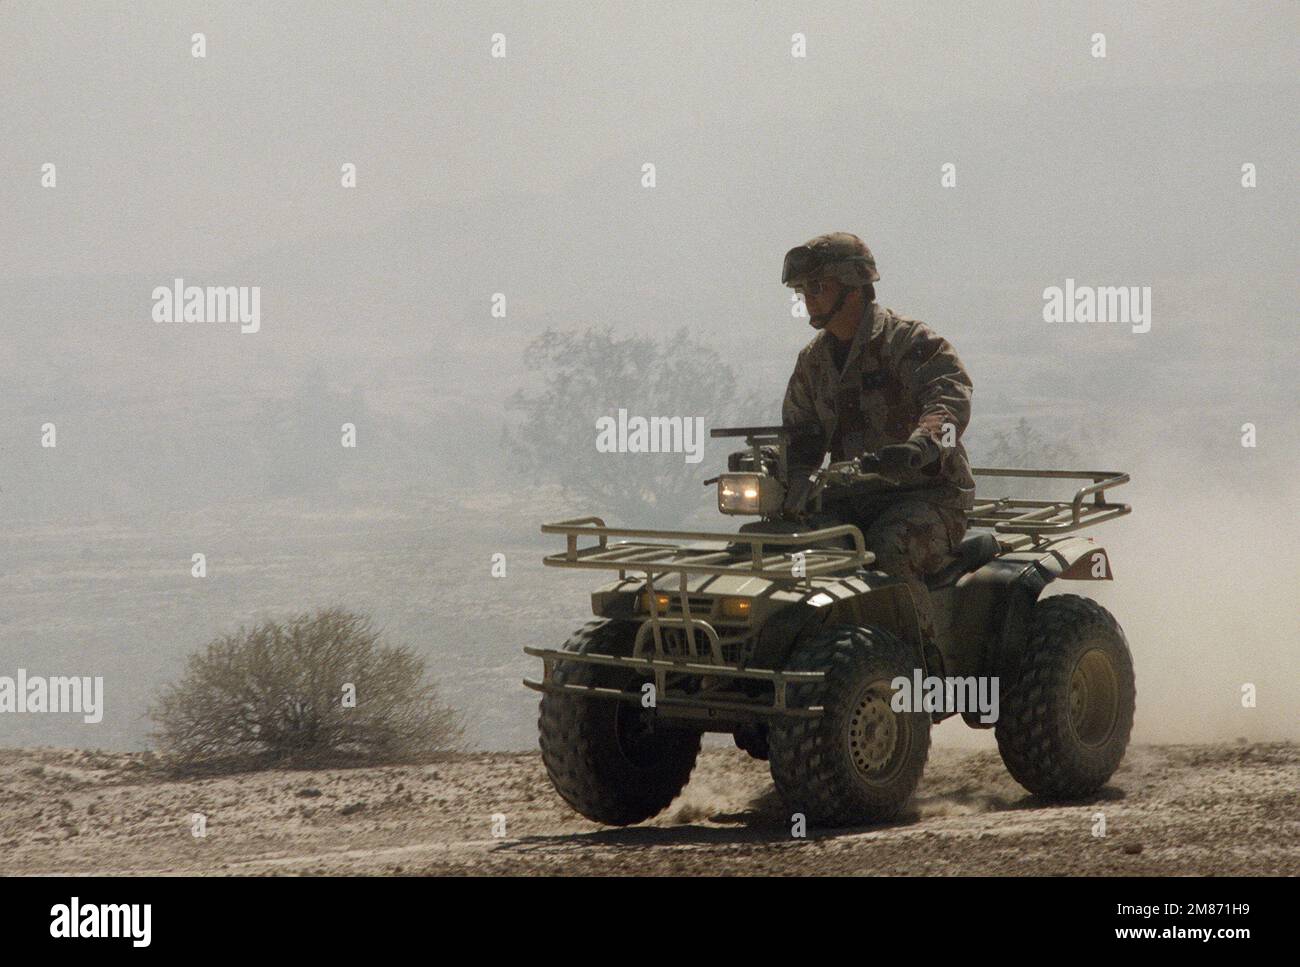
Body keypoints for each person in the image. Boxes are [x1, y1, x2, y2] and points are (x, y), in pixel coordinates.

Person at [780, 232, 975, 643]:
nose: (808, 299)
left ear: (853, 287)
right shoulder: (814, 362)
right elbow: (802, 430)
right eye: (803, 290)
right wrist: (795, 472)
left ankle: (920, 664)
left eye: (818, 287)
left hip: (929, 496)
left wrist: (918, 447)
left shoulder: (911, 342)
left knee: (889, 550)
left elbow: (949, 399)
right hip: (851, 497)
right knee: (791, 553)